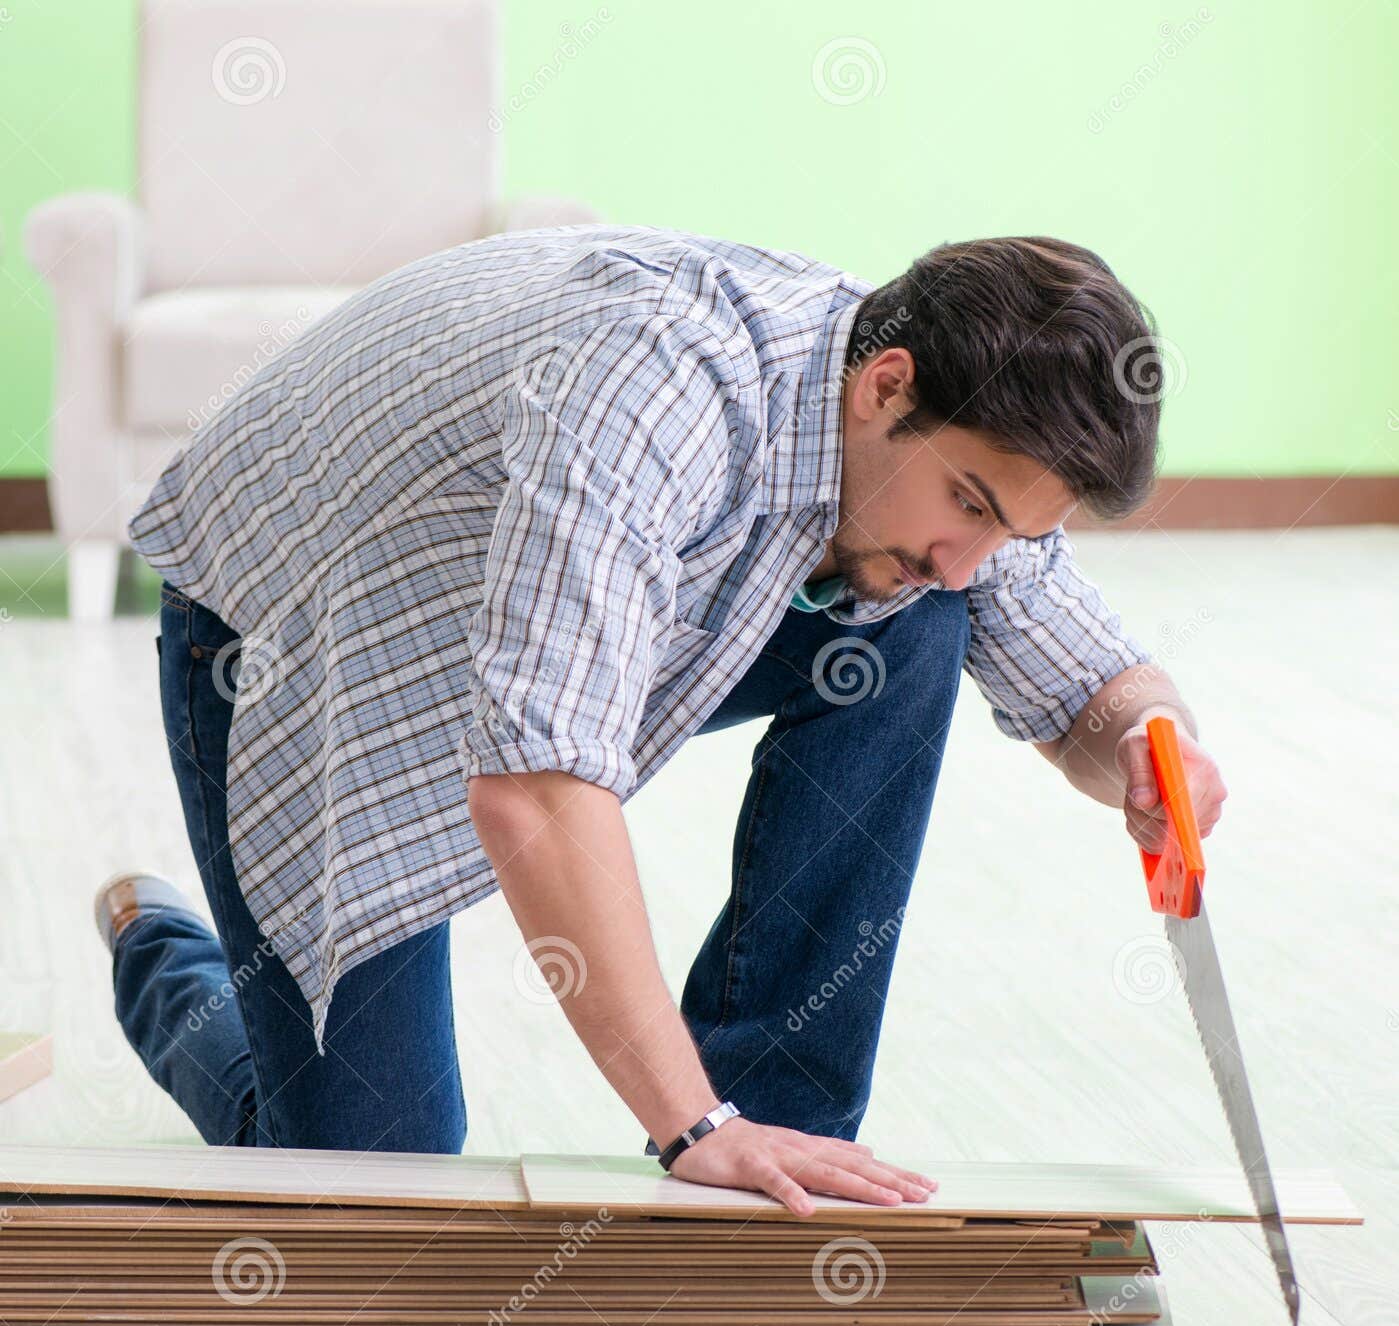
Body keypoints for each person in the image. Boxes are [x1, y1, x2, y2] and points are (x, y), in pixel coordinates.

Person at [100, 226, 1226, 1215]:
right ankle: (171, 956)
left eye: (1009, 535)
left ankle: (784, 1137)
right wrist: (693, 1127)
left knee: (915, 623)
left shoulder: (941, 477)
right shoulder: (654, 393)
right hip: (300, 630)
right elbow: (535, 786)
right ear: (885, 386)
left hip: (519, 611)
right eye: (971, 506)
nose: (967, 557)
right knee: (376, 1180)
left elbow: (1088, 681)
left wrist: (1149, 738)